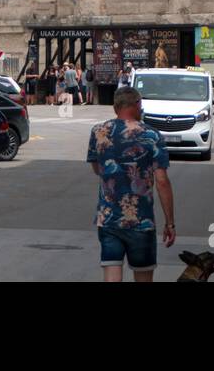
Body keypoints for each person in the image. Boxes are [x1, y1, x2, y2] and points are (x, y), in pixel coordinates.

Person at [86, 87, 176, 282]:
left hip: (108, 219)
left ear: (115, 107)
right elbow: (162, 181)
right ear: (137, 105)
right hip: (140, 221)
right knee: (143, 277)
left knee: (111, 274)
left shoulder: (98, 132)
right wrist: (170, 222)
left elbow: (97, 169)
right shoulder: (152, 135)